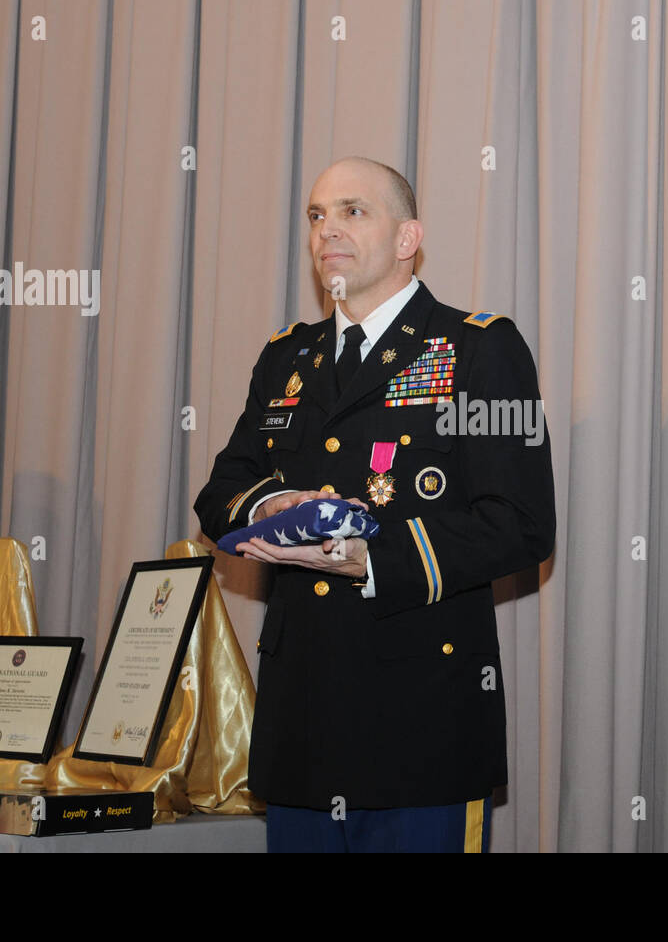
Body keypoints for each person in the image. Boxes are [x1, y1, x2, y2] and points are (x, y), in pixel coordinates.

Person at [194, 157, 555, 852]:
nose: (328, 229)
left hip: (421, 727)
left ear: (406, 238)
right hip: (302, 723)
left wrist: (371, 557)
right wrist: (275, 504)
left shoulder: (478, 347)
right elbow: (219, 492)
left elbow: (522, 523)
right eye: (317, 215)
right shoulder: (286, 359)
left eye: (353, 211)